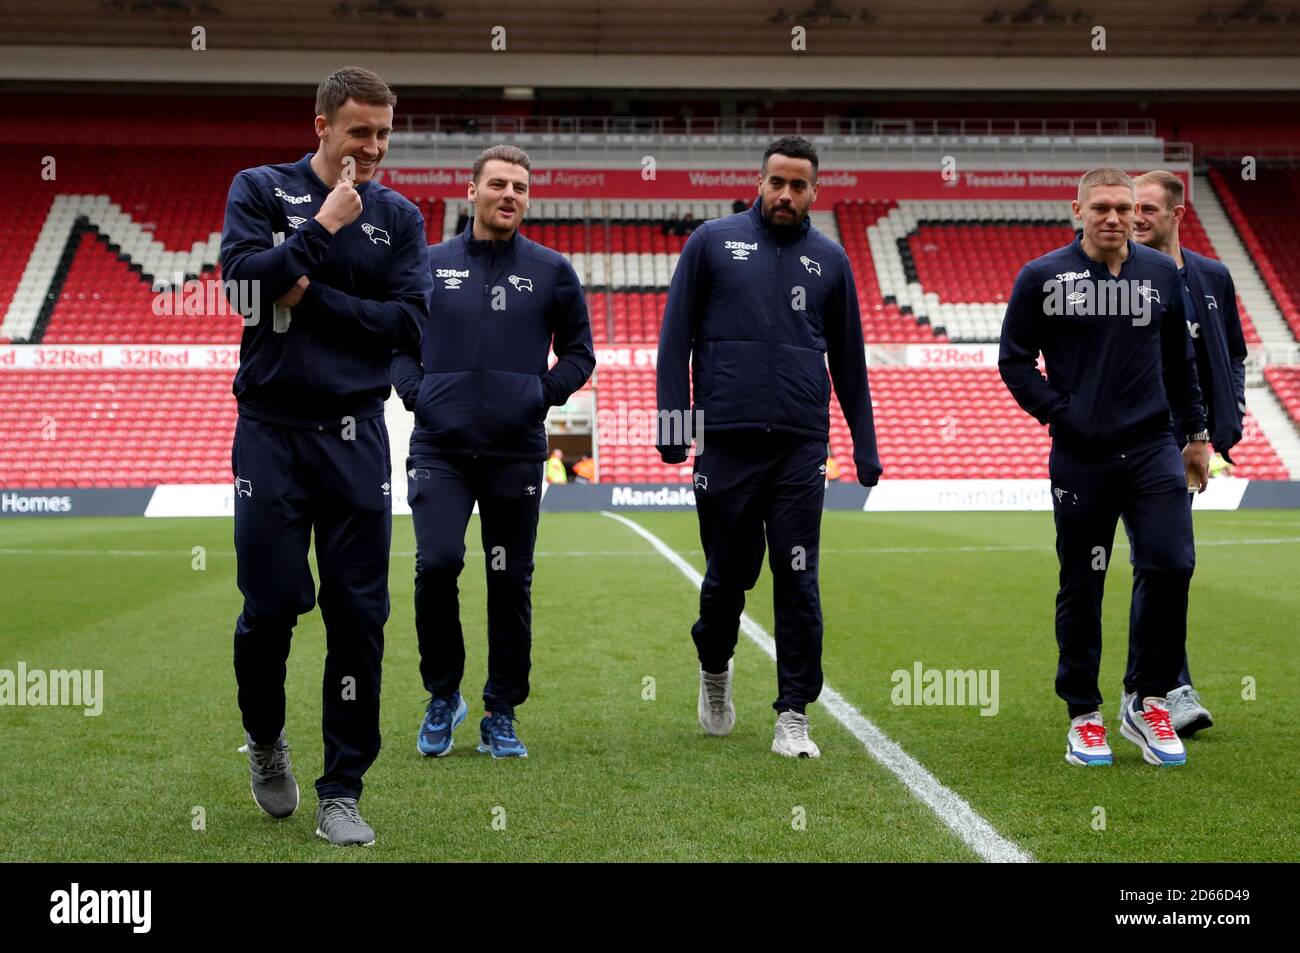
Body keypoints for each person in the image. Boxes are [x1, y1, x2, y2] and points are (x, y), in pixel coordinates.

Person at [221, 66, 431, 845]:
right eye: (358, 132)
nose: (372, 148)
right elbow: (242, 291)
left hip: (356, 434)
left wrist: (305, 289)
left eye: (382, 132)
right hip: (270, 432)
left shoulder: (401, 217)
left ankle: (342, 788)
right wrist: (318, 232)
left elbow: (408, 325)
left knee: (359, 617)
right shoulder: (260, 189)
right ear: (321, 126)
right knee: (271, 606)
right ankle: (266, 738)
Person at [657, 135, 882, 759]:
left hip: (799, 448)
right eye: (777, 182)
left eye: (799, 185)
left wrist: (864, 444)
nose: (786, 194)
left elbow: (851, 363)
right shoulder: (711, 243)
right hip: (725, 443)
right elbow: (675, 338)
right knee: (728, 577)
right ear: (760, 182)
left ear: (815, 191)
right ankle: (715, 667)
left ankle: (793, 713)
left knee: (798, 577)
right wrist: (675, 427)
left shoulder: (830, 261)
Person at [999, 166, 1209, 769]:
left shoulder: (1162, 274)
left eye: (1124, 207)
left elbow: (1181, 363)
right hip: (1082, 458)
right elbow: (1014, 362)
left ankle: (1146, 702)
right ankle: (1084, 715)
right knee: (1082, 584)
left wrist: (1194, 434)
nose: (1115, 217)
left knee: (1171, 564)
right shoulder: (1043, 277)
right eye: (1102, 208)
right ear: (1078, 210)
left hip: (1152, 450)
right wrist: (1061, 414)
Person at [392, 145, 594, 760]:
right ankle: (442, 693)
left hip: (515, 452)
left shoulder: (551, 270)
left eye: (521, 188)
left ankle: (500, 710)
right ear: (472, 189)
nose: (510, 195)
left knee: (509, 581)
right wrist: (418, 395)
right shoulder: (426, 264)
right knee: (437, 565)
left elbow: (580, 353)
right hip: (440, 449)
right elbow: (395, 342)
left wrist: (537, 395)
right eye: (499, 184)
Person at [1127, 169, 1249, 737]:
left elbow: (1236, 354)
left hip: (1195, 440)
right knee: (1161, 561)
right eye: (1132, 208)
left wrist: (1229, 422)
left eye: (1149, 208)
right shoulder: (1119, 277)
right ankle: (1164, 689)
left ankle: (1151, 689)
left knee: (1162, 563)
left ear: (1177, 213)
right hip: (1137, 440)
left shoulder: (1213, 276)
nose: (1137, 217)